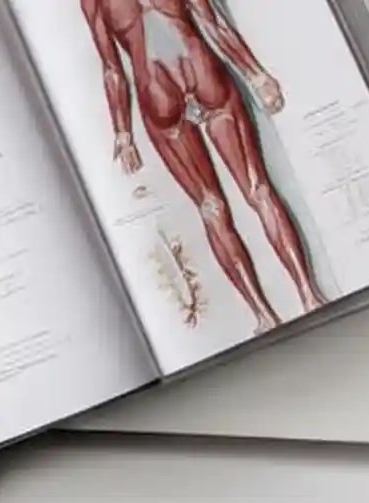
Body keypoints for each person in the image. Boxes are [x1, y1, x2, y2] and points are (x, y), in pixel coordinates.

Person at [82, 0, 327, 333]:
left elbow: (113, 68)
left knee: (224, 204)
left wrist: (124, 134)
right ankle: (299, 300)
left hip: (160, 93)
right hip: (193, 77)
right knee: (250, 194)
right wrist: (256, 75)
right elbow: (211, 24)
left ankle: (280, 309)